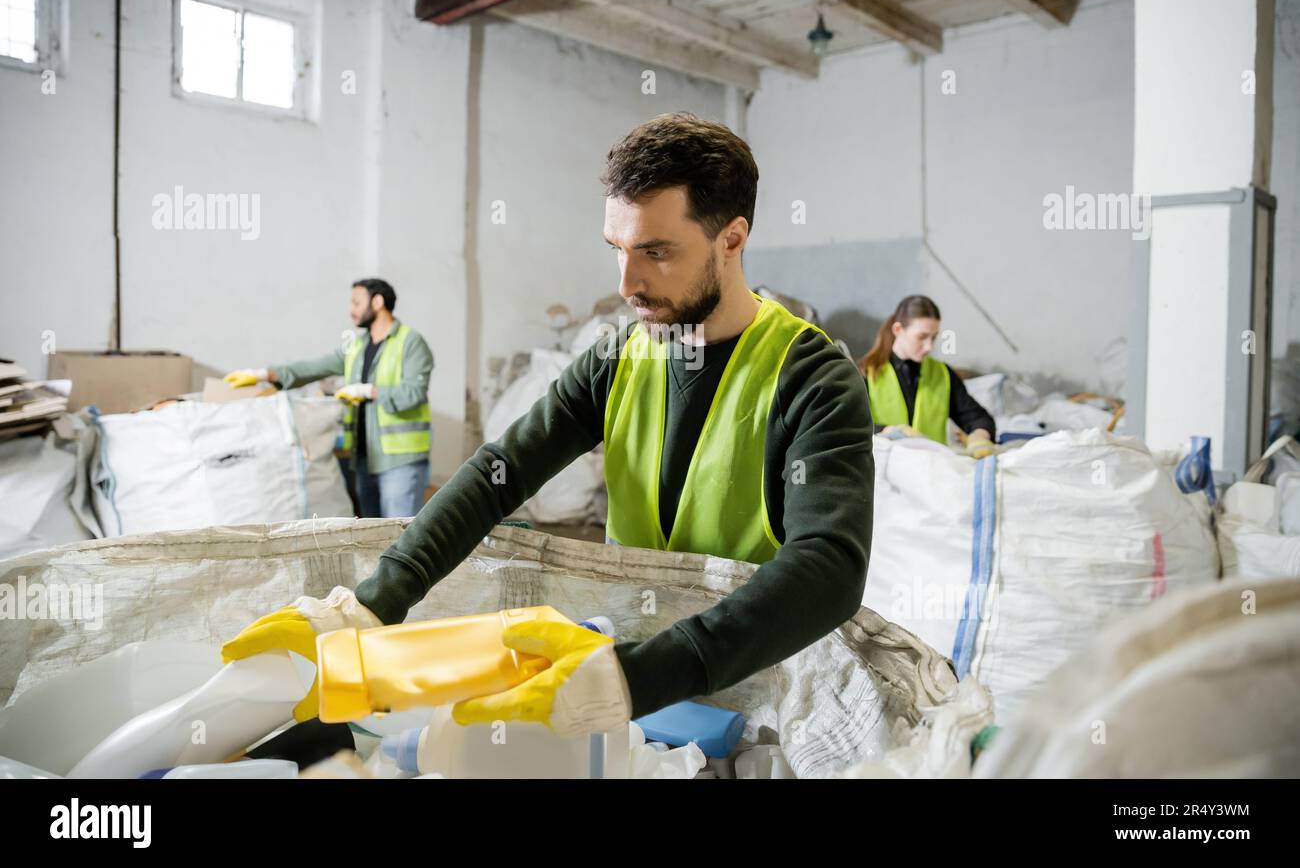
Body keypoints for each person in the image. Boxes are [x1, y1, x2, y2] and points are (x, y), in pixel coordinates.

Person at [221, 113, 874, 739]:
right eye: (616, 249)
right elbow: (497, 474)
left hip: (747, 680)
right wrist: (370, 602)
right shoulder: (618, 360)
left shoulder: (810, 377)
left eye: (655, 251)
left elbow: (829, 567)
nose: (627, 283)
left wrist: (630, 680)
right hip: (623, 670)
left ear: (731, 239)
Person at [223, 278, 433, 518]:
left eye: (356, 302)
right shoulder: (357, 346)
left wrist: (367, 391)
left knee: (400, 536)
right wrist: (265, 374)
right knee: (374, 537)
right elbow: (314, 367)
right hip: (365, 459)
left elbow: (414, 393)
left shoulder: (410, 343)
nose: (350, 310)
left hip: (400, 461)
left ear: (377, 302)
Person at [858, 294, 996, 457]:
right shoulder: (865, 374)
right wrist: (887, 431)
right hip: (882, 473)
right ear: (898, 330)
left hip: (931, 473)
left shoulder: (943, 374)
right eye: (922, 337)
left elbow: (978, 418)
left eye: (934, 337)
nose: (929, 346)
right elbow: (849, 426)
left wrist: (979, 436)